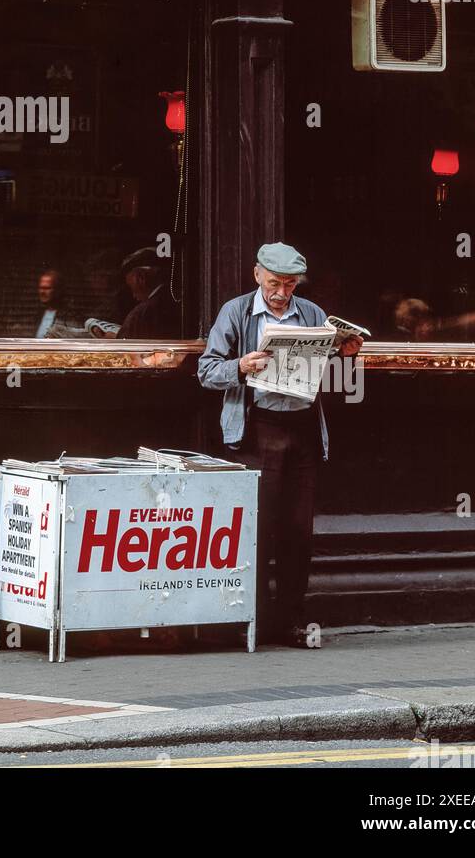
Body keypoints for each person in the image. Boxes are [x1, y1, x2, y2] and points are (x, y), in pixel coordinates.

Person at [197, 243, 364, 648]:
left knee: (297, 531)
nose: (281, 292)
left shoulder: (310, 314)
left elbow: (328, 365)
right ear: (257, 275)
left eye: (289, 284)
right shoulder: (236, 312)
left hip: (302, 428)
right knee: (259, 530)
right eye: (274, 283)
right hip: (259, 429)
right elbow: (206, 370)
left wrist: (345, 352)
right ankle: (252, 619)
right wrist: (240, 366)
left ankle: (290, 619)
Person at [117, 246, 178, 338]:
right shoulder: (177, 301)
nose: (134, 296)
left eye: (131, 287)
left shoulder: (142, 313)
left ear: (141, 277)